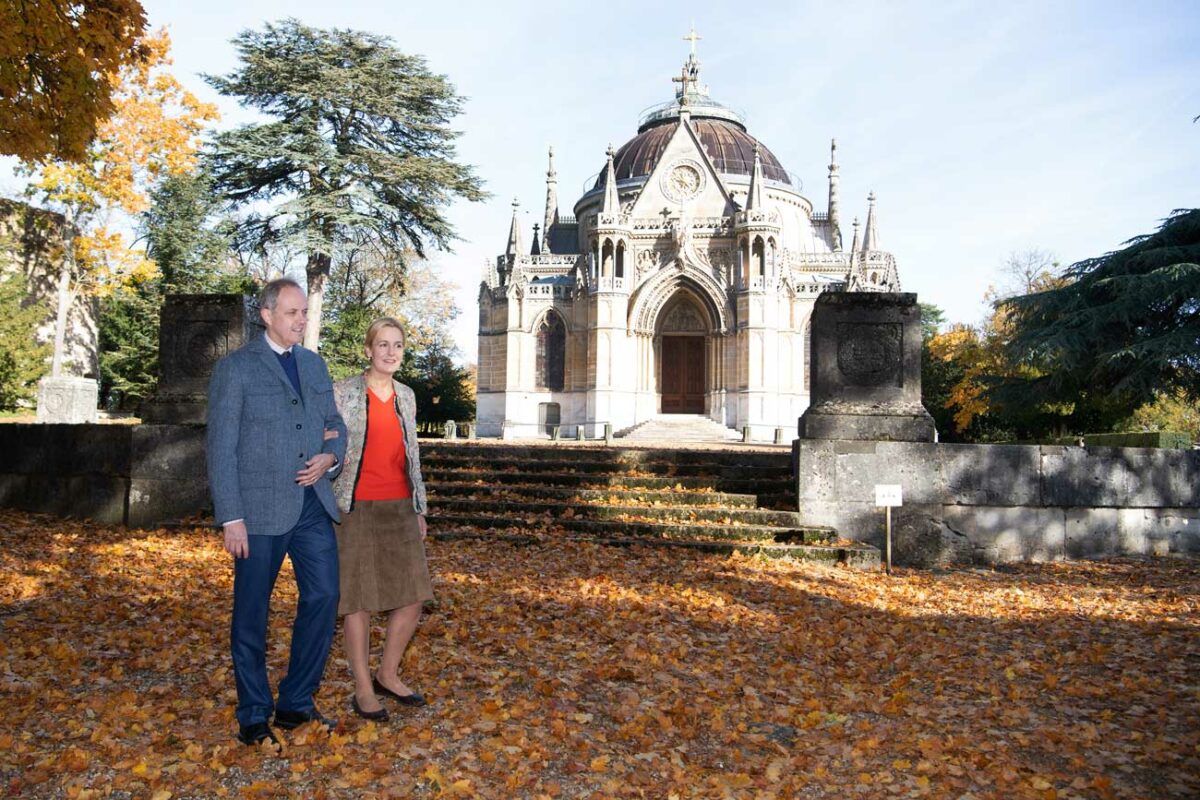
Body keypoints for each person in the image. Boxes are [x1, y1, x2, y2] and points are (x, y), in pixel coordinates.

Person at [206, 277, 348, 746]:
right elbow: (220, 448)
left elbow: (334, 427)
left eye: (304, 312)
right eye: (292, 313)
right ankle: (252, 713)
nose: (302, 320)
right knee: (251, 614)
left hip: (312, 505)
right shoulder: (236, 369)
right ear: (267, 315)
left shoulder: (313, 364)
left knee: (325, 597)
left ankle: (295, 702)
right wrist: (231, 517)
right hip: (257, 512)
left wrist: (332, 457)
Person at [332, 317, 432, 721]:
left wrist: (420, 507)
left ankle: (387, 674)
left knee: (412, 598)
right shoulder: (343, 393)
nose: (391, 352)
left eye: (398, 346)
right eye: (383, 345)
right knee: (357, 602)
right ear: (368, 350)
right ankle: (362, 687)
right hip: (354, 507)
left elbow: (413, 455)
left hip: (399, 507)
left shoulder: (406, 396)